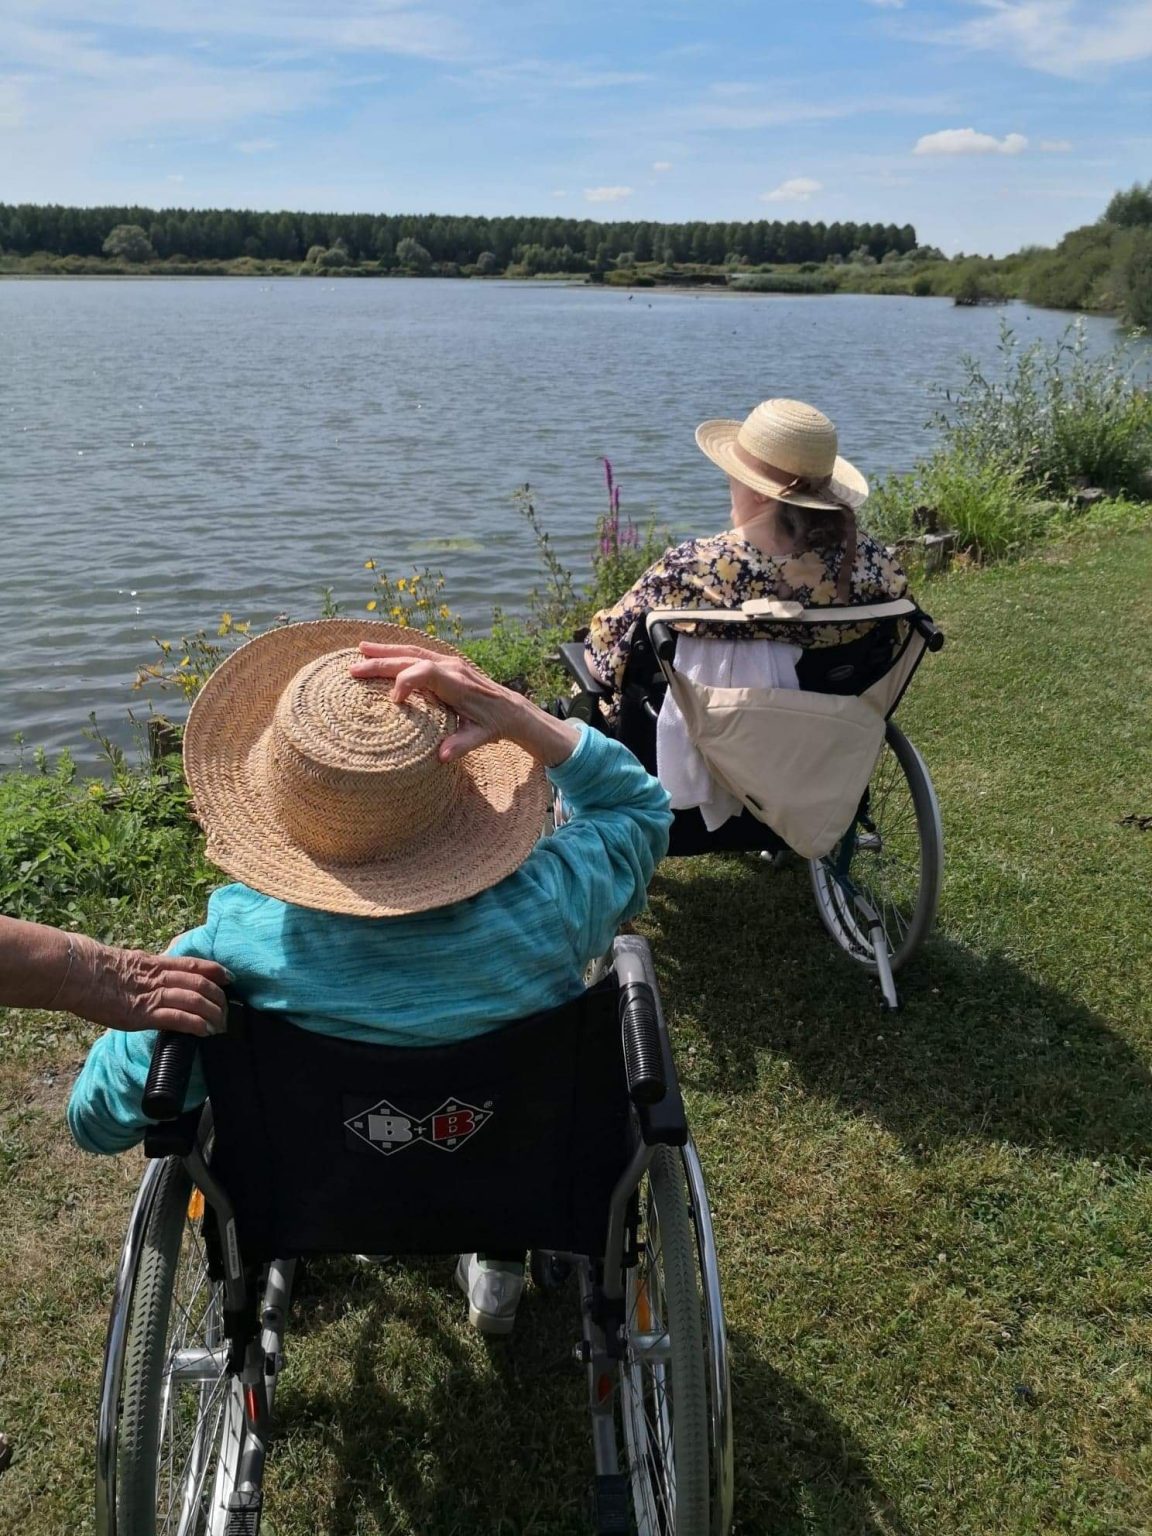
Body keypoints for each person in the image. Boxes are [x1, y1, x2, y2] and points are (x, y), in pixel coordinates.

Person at [67, 620, 672, 1335]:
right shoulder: (554, 905)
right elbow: (639, 808)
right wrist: (518, 716)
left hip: (313, 1196)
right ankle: (497, 1263)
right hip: (519, 1180)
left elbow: (98, 1121)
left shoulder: (230, 952)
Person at [585, 397, 908, 706]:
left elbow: (600, 661)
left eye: (734, 478)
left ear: (760, 494)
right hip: (825, 743)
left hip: (709, 743)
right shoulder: (871, 564)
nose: (730, 484)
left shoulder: (692, 571)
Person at [0, 915, 229, 1035]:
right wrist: (88, 972)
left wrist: (90, 974)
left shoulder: (203, 947)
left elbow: (94, 1107)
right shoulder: (216, 935)